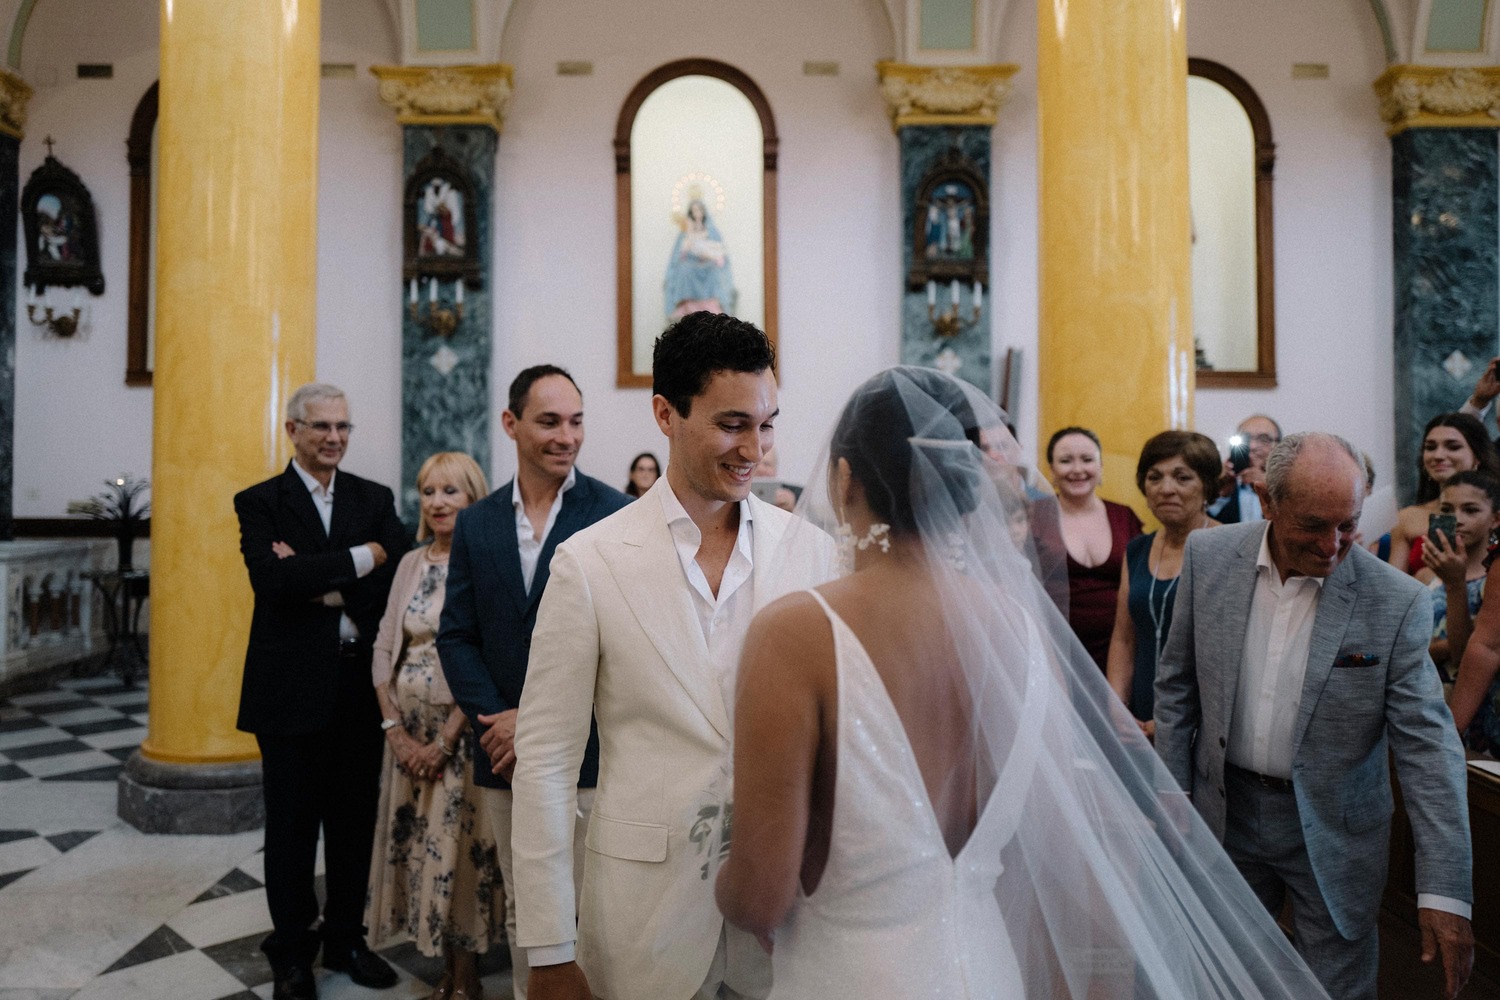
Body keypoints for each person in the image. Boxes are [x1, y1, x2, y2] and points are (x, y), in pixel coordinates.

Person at [716, 367, 1332, 999]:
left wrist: (721, 878)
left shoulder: (795, 633)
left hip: (850, 975)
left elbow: (760, 898)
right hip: (988, 969)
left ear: (844, 479)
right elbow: (1055, 854)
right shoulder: (1018, 628)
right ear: (961, 483)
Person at [509, 312, 837, 1000]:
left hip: (785, 912)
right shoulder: (589, 563)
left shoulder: (811, 552)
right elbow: (545, 764)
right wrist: (547, 947)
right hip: (641, 912)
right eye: (731, 424)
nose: (753, 448)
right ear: (666, 413)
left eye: (767, 423)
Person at [1155, 432, 1474, 1000]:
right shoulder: (1209, 558)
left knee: (1336, 991)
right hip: (1223, 812)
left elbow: (1429, 750)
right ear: (1269, 503)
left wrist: (1445, 892)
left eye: (1347, 524)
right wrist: (1173, 796)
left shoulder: (1394, 601)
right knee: (1220, 978)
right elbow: (1177, 688)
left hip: (1335, 828)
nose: (1332, 546)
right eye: (1312, 525)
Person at [437, 366, 631, 1000]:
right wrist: (498, 719)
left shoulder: (616, 514)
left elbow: (626, 643)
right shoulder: (478, 523)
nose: (566, 436)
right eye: (549, 422)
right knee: (532, 915)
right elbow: (457, 636)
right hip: (505, 757)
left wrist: (538, 722)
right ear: (511, 424)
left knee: (596, 914)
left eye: (576, 421)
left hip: (590, 755)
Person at [233, 382, 411, 1000]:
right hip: (287, 690)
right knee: (290, 829)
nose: (333, 438)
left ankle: (346, 938)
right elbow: (272, 582)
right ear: (292, 430)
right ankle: (290, 955)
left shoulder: (374, 496)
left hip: (360, 685)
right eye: (320, 427)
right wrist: (364, 556)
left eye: (343, 427)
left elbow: (396, 585)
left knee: (353, 823)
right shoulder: (260, 502)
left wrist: (321, 580)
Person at [366, 452, 500, 1000]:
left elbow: (489, 656)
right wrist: (394, 730)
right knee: (422, 849)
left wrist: (444, 742)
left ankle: (466, 977)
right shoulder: (410, 563)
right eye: (428, 491)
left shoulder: (486, 561)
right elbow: (382, 649)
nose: (438, 502)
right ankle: (444, 968)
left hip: (460, 734)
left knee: (456, 854)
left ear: (474, 498)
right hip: (406, 733)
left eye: (451, 491)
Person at [1105, 431, 1221, 736]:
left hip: (1203, 720)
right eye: (1154, 477)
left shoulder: (1231, 546)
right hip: (1139, 719)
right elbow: (1124, 638)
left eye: (1182, 478)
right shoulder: (1137, 549)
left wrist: (1180, 719)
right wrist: (1117, 708)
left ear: (1207, 486)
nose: (1166, 488)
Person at [1047, 425, 1142, 668]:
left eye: (1087, 460)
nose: (1077, 469)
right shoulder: (1034, 517)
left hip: (1119, 648)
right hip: (1054, 649)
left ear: (1100, 467)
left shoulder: (1124, 516)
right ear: (1052, 470)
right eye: (1066, 460)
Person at [1387, 413, 1499, 579]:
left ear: (1477, 457)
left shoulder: (1494, 511)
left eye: (1453, 447)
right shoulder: (1407, 517)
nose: (1438, 455)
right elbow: (1392, 588)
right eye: (1430, 447)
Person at [1422, 470, 1500, 688]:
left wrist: (1456, 584)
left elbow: (1464, 657)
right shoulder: (1426, 576)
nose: (1457, 519)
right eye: (1447, 510)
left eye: (1470, 510)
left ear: (1495, 519)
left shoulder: (1493, 580)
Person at [664, 199, 735, 322]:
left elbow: (720, 254)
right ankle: (688, 306)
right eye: (694, 210)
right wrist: (689, 242)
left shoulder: (711, 231)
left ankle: (711, 306)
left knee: (714, 269)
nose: (697, 213)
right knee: (684, 269)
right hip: (691, 265)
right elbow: (679, 255)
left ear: (704, 212)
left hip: (708, 265)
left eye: (699, 210)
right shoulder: (685, 232)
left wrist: (711, 255)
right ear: (691, 213)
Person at [1208, 414, 1281, 524]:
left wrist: (1270, 488)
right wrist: (1222, 494)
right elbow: (1205, 524)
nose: (1252, 446)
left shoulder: (1289, 483)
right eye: (1245, 439)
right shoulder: (1224, 482)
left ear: (1278, 445)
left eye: (1263, 439)